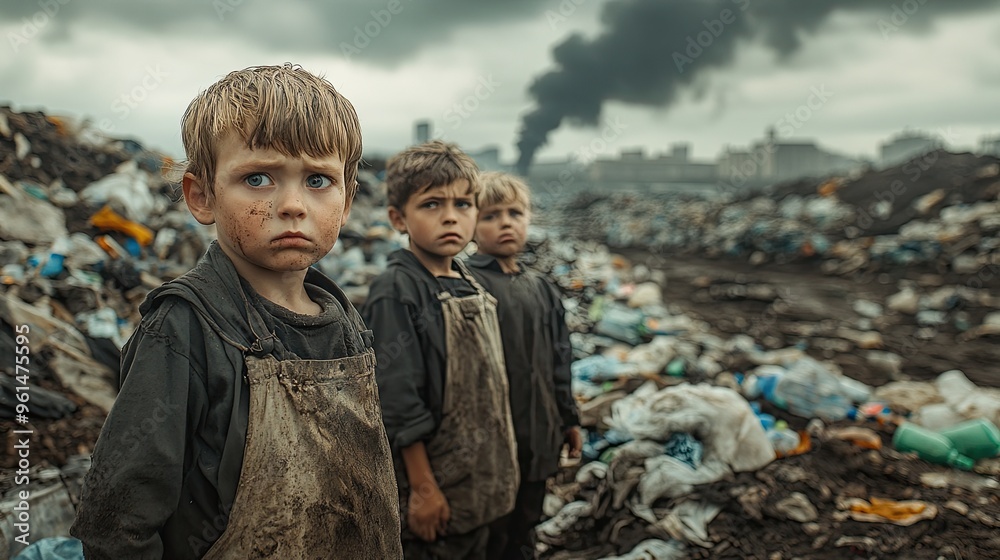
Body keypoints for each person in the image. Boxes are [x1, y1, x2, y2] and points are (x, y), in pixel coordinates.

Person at [70, 64, 402, 559]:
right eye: (258, 178)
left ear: (348, 200)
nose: (292, 205)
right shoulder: (184, 330)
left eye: (318, 180)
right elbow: (116, 524)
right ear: (202, 196)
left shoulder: (345, 322)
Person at [362, 141, 518, 559]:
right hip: (435, 484)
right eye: (431, 204)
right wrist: (424, 489)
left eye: (463, 204)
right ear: (398, 218)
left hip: (481, 478)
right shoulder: (397, 290)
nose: (451, 216)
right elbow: (398, 400)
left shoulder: (469, 282)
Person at [466, 172, 581, 560]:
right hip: (487, 442)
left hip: (540, 434)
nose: (506, 224)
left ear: (529, 219)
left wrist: (569, 418)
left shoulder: (542, 289)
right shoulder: (465, 285)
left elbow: (560, 360)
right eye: (491, 215)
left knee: (525, 528)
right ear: (470, 225)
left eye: (515, 213)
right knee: (487, 536)